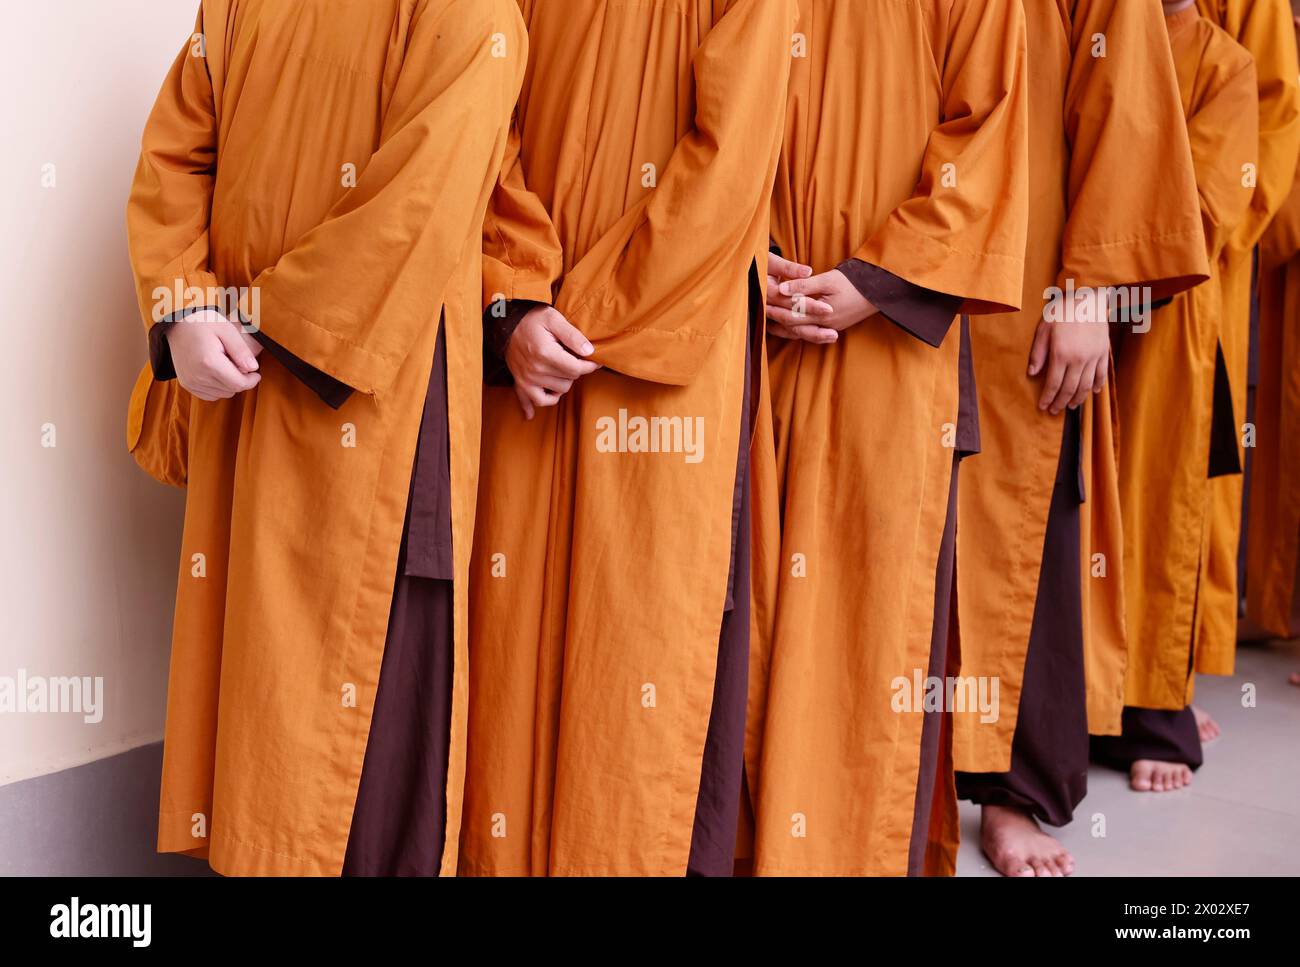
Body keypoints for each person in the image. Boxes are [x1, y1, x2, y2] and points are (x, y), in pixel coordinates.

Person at [125, 0, 525, 875]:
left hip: (381, 405)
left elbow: (421, 202)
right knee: (257, 697)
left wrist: (243, 321)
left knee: (370, 744)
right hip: (240, 373)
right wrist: (184, 307)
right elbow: (174, 155)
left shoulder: (471, 13)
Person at [458, 0, 797, 876]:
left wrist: (582, 317)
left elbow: (732, 152)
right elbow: (483, 113)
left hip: (664, 343)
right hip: (530, 348)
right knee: (506, 633)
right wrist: (515, 302)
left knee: (648, 634)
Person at [741, 0, 1030, 877]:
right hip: (749, 323)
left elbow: (987, 134)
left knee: (869, 611)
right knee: (737, 610)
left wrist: (874, 281)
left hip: (890, 345)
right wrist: (749, 261)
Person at [952, 0, 1211, 878]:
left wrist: (1092, 286)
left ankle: (1013, 793)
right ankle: (890, 770)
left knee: (1025, 542)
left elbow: (1122, 94)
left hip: (1026, 289)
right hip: (899, 266)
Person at [1092, 0, 1260, 795]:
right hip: (1064, 298)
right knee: (1067, 514)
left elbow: (1204, 212)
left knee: (1156, 509)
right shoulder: (1084, 37)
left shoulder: (1224, 65)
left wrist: (1098, 285)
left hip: (1163, 322)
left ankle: (1157, 710)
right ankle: (1072, 709)